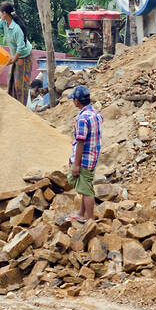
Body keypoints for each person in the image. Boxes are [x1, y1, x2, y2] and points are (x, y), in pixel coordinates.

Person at [0, 0, 32, 101]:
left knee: (20, 84)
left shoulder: (17, 29)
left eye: (0, 12)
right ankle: (13, 104)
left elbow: (21, 47)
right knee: (11, 82)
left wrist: (13, 59)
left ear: (4, 13)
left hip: (23, 56)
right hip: (14, 56)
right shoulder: (4, 22)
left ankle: (21, 107)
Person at [67, 85, 102, 223]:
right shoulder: (95, 114)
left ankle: (90, 219)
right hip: (93, 155)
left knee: (86, 190)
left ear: (76, 101)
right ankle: (81, 213)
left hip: (85, 159)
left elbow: (80, 142)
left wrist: (76, 164)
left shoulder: (82, 119)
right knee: (84, 184)